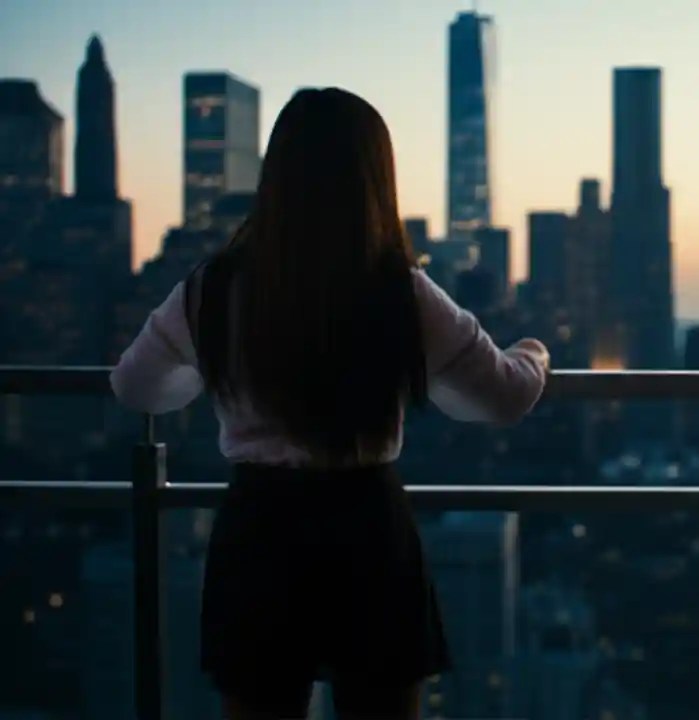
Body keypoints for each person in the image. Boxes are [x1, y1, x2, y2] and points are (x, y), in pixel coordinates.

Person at [110, 87, 549, 720]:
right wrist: (536, 354)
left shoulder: (212, 288)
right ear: (375, 179)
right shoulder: (401, 290)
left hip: (259, 530)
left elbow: (135, 388)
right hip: (366, 529)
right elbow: (503, 397)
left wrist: (209, 375)